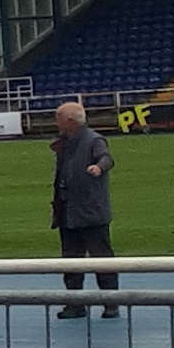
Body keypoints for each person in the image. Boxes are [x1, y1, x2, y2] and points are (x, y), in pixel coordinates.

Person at [49, 98, 115, 317]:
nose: (56, 123)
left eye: (58, 119)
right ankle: (75, 304)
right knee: (70, 261)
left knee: (102, 260)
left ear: (70, 121)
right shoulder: (64, 143)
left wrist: (99, 167)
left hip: (91, 211)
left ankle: (111, 303)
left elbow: (106, 158)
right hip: (68, 211)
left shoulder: (94, 140)